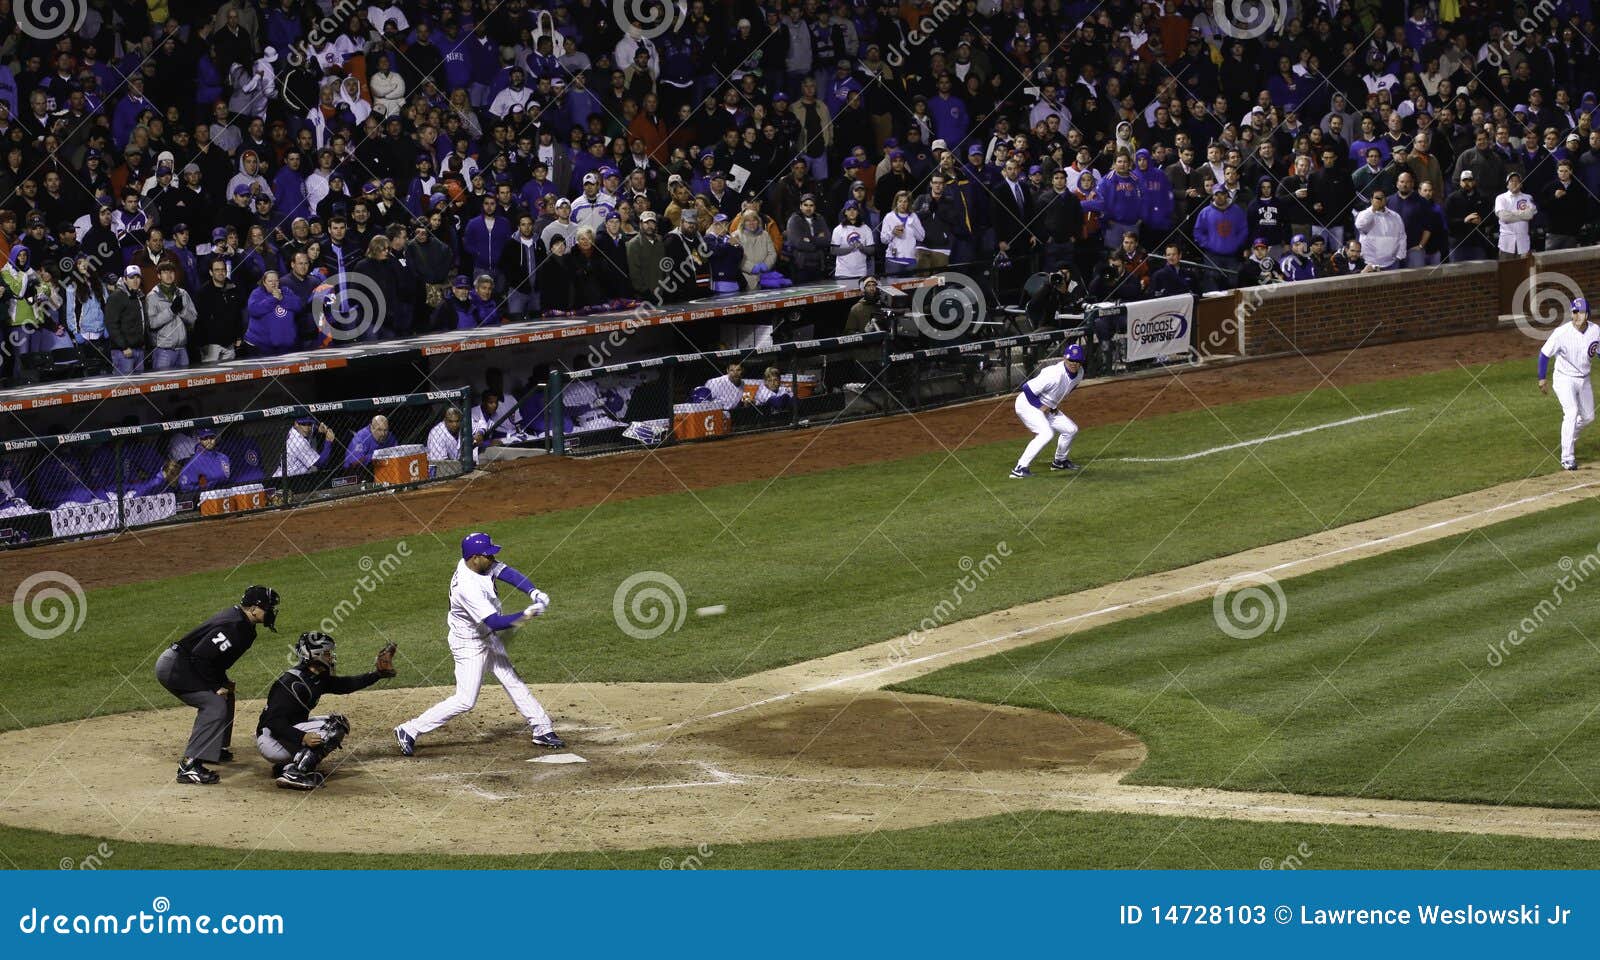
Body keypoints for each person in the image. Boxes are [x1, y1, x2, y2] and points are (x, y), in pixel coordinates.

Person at [393, 532, 564, 756]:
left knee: (512, 679)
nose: (492, 559)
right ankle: (409, 729)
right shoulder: (467, 586)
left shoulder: (478, 564)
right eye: (488, 556)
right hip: (469, 644)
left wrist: (533, 591)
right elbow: (494, 621)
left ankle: (542, 729)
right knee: (465, 700)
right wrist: (527, 614)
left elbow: (505, 571)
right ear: (475, 558)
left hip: (488, 637)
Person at [154, 585, 280, 785]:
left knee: (226, 693)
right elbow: (200, 656)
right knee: (214, 704)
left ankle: (215, 748)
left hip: (188, 664)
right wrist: (214, 686)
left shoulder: (244, 625)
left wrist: (222, 682)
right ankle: (189, 766)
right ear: (255, 608)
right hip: (177, 667)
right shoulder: (233, 626)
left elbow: (215, 659)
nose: (271, 612)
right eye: (268, 607)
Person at [255, 633, 396, 790]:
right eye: (327, 653)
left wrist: (376, 675)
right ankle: (296, 773)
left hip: (282, 736)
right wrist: (302, 737)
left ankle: (287, 766)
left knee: (334, 723)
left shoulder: (314, 677)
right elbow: (273, 722)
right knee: (334, 726)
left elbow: (344, 684)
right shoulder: (291, 683)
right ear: (316, 655)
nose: (331, 657)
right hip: (272, 741)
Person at [1010, 342, 1085, 478]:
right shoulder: (1054, 374)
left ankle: (1059, 461)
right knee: (1046, 434)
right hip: (1027, 404)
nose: (1074, 363)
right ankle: (1020, 468)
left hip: (1047, 407)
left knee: (1071, 430)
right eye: (1071, 360)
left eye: (1077, 360)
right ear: (1064, 358)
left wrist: (1053, 407)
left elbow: (1067, 389)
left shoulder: (1080, 373)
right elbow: (1027, 388)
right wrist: (1041, 406)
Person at [1538, 297, 1597, 471]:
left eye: (1581, 312)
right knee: (1571, 412)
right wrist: (1542, 377)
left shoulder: (1596, 331)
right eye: (1574, 312)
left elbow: (1597, 351)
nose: (1577, 316)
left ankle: (1568, 437)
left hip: (1584, 379)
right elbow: (1544, 354)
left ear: (1588, 314)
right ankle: (1567, 457)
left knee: (1588, 417)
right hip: (1564, 379)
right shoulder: (1561, 333)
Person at [145, 262, 196, 369]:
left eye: (171, 272)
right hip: (163, 351)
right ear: (159, 275)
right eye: (164, 272)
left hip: (182, 349)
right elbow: (152, 323)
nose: (169, 275)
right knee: (163, 384)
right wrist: (171, 311)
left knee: (185, 383)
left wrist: (182, 310)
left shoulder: (183, 293)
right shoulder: (152, 296)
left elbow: (193, 319)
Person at [104, 264, 148, 374]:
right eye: (132, 277)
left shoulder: (139, 296)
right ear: (125, 279)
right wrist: (124, 347)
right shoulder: (116, 296)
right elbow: (111, 324)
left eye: (138, 277)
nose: (135, 280)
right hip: (123, 352)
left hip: (139, 349)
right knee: (125, 388)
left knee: (140, 387)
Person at [1354, 190, 1406, 270]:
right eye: (1377, 198)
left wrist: (1399, 256)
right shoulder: (1363, 214)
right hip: (1369, 264)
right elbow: (1360, 225)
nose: (1380, 200)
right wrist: (1373, 210)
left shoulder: (1395, 216)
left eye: (1382, 198)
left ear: (1386, 199)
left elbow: (1402, 236)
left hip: (1392, 263)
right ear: (1371, 200)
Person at [1494, 173, 1536, 257]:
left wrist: (1511, 213)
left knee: (1523, 270)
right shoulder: (1501, 198)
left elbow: (1530, 215)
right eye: (1511, 181)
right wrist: (1522, 214)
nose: (1514, 183)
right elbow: (1504, 217)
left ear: (1521, 184)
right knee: (1506, 269)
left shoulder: (1528, 197)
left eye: (1517, 181)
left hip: (1523, 244)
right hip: (1506, 244)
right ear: (1507, 185)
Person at [831, 201, 873, 279]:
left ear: (858, 212)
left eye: (854, 209)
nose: (852, 212)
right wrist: (851, 248)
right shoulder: (838, 229)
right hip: (843, 273)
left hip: (861, 273)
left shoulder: (866, 229)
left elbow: (872, 250)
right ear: (845, 212)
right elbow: (833, 250)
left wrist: (862, 248)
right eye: (849, 209)